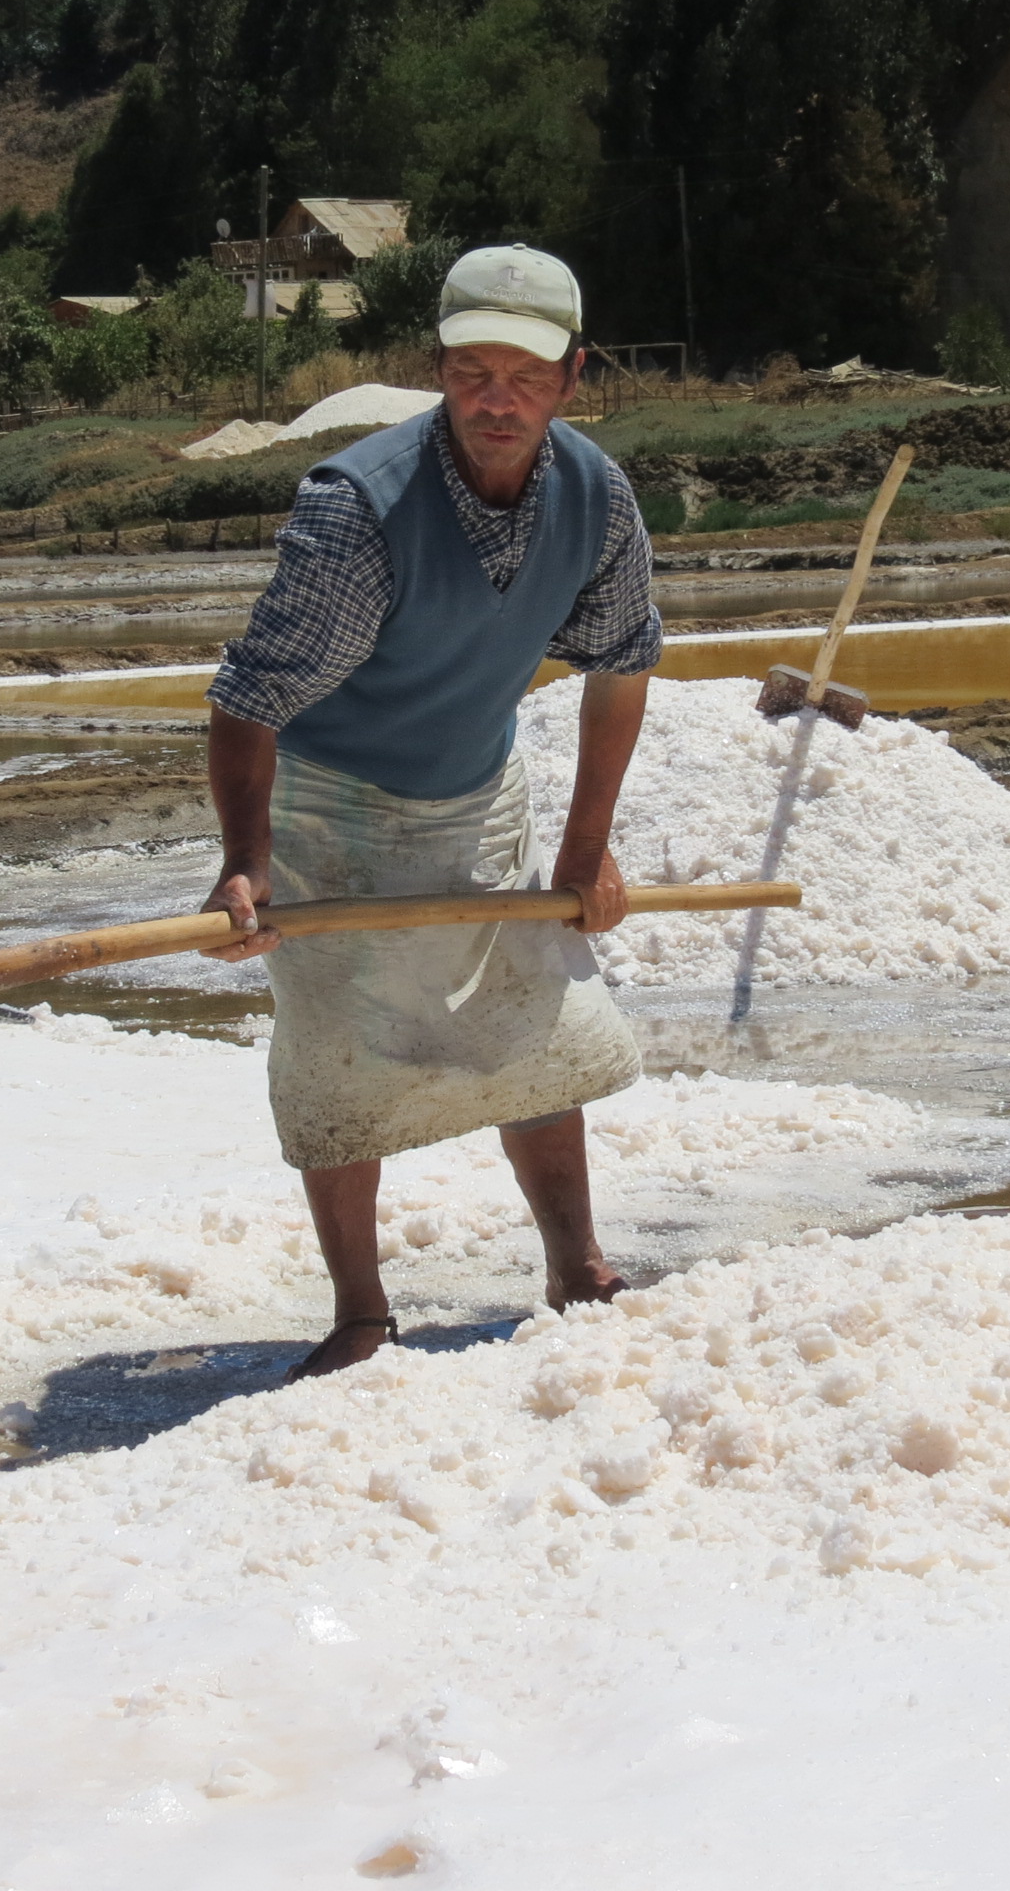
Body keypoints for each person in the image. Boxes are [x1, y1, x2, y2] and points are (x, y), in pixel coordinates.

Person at [200, 244, 663, 1379]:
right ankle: (361, 1313)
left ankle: (575, 1266)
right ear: (437, 369)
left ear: (571, 377)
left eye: (522, 373)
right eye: (468, 372)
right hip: (331, 804)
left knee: (536, 1024)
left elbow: (622, 665)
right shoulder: (358, 511)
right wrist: (245, 860)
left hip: (479, 787)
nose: (493, 399)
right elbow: (249, 697)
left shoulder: (597, 497)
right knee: (338, 1056)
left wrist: (583, 853)